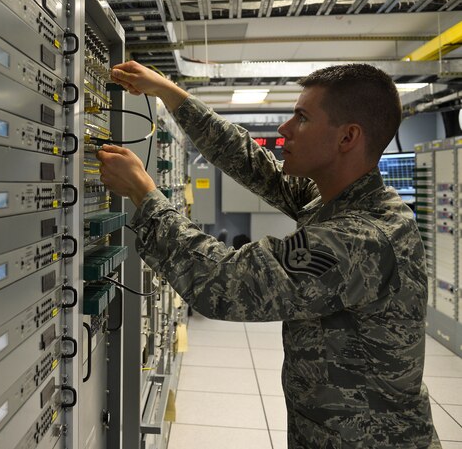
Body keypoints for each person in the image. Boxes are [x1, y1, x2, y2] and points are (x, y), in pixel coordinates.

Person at [98, 60, 440, 448]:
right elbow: (254, 165)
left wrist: (143, 193)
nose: (284, 128)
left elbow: (221, 283)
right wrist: (169, 93)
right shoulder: (344, 199)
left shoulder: (362, 238)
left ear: (347, 138)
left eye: (302, 118)